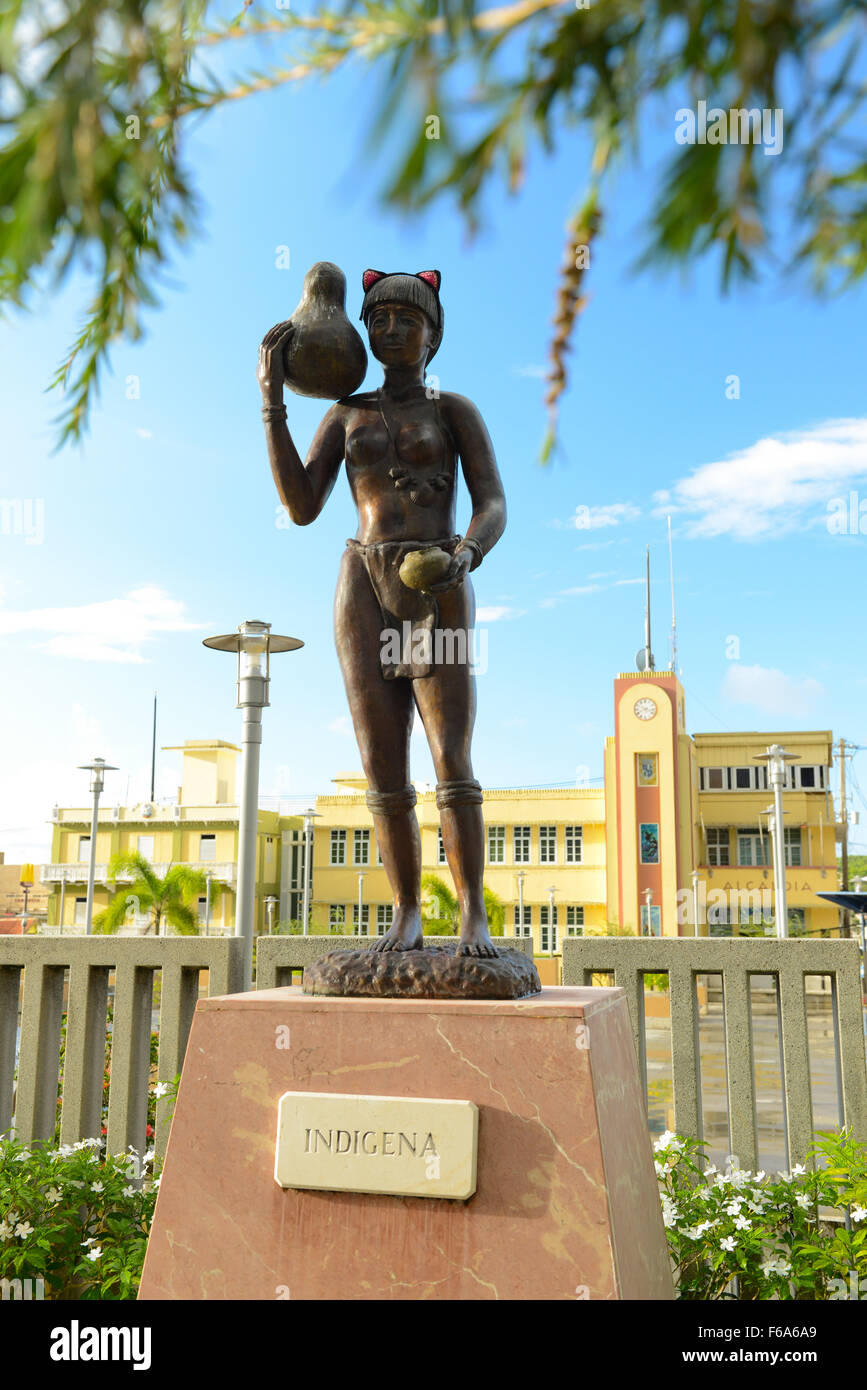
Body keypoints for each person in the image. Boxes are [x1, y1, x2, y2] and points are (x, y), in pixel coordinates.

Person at [258, 269, 506, 956]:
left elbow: (493, 502)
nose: (392, 330)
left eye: (407, 318)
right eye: (379, 318)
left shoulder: (453, 410)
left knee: (450, 755)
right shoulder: (345, 414)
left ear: (433, 334)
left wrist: (465, 552)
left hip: (438, 583)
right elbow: (301, 506)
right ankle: (404, 912)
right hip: (361, 580)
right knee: (379, 761)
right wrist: (271, 400)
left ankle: (471, 914)